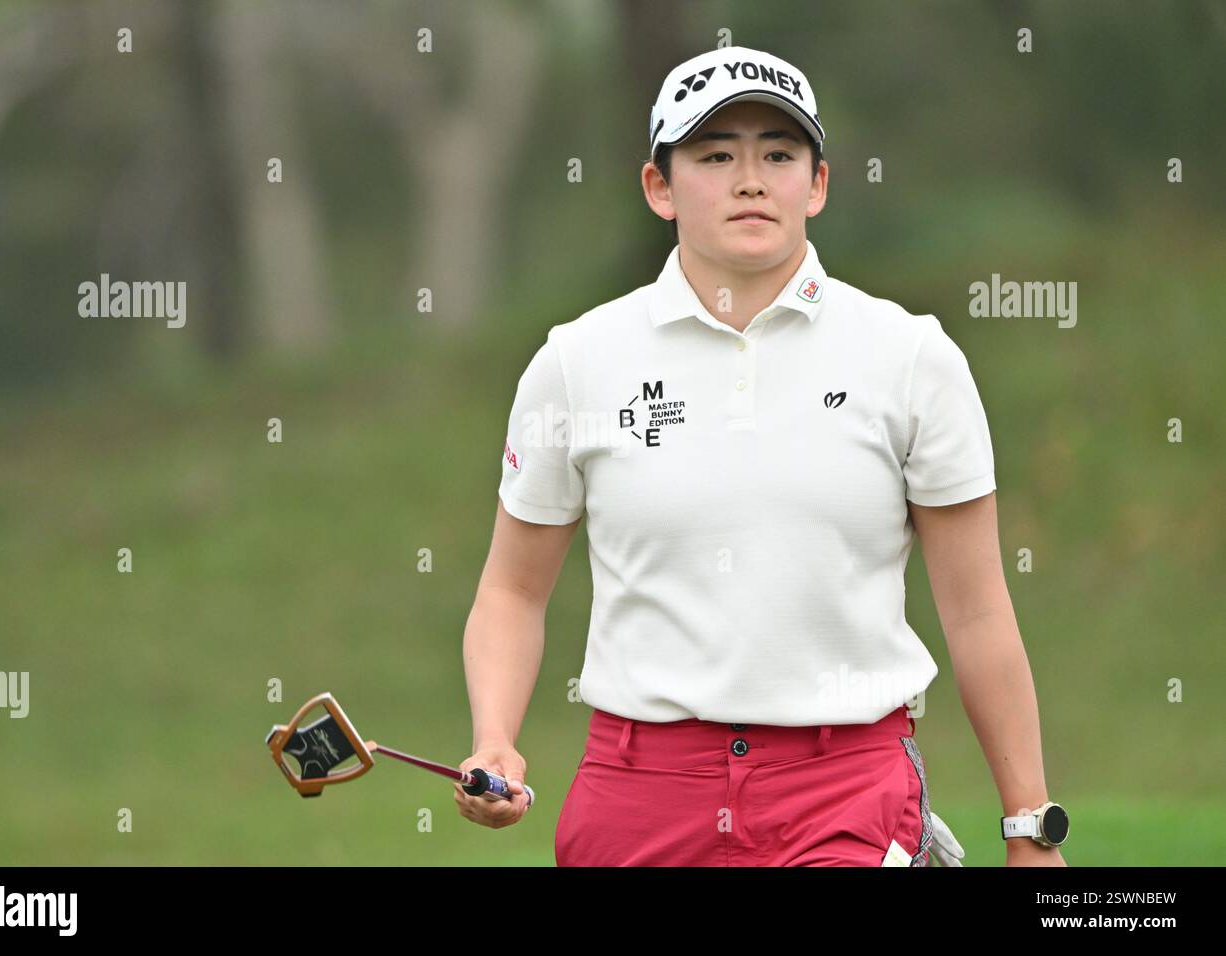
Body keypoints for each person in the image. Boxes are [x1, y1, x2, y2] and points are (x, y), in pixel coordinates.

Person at [455, 46, 1068, 866]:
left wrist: (1029, 824)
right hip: (638, 791)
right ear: (659, 187)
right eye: (715, 157)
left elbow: (979, 610)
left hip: (844, 788)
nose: (751, 179)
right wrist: (495, 737)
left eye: (778, 155)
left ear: (816, 183)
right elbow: (511, 589)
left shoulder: (911, 356)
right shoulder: (576, 361)